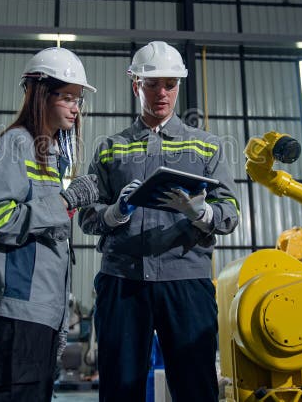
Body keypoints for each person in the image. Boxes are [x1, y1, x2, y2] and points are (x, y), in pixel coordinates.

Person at [80, 41, 240, 402]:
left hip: (186, 281)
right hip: (122, 281)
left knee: (196, 389)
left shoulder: (206, 146)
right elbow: (88, 217)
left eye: (170, 84)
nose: (162, 93)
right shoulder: (110, 148)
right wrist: (114, 213)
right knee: (119, 390)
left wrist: (203, 213)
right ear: (135, 84)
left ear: (179, 86)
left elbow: (230, 209)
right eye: (152, 84)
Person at [0, 47, 100, 401]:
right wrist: (65, 201)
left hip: (40, 311)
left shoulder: (49, 155)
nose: (76, 108)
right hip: (18, 310)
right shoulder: (16, 144)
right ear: (41, 94)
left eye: (78, 100)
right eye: (67, 98)